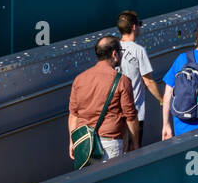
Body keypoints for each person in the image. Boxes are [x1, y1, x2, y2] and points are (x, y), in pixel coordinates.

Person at [68, 35, 139, 164]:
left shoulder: (79, 79)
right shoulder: (122, 81)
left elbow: (73, 115)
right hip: (110, 144)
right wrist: (135, 143)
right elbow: (130, 117)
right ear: (114, 54)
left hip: (84, 144)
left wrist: (73, 141)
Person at [117, 10, 164, 147]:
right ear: (133, 27)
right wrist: (162, 100)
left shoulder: (112, 48)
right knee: (133, 150)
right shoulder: (139, 50)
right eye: (139, 24)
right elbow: (148, 81)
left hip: (115, 112)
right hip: (134, 112)